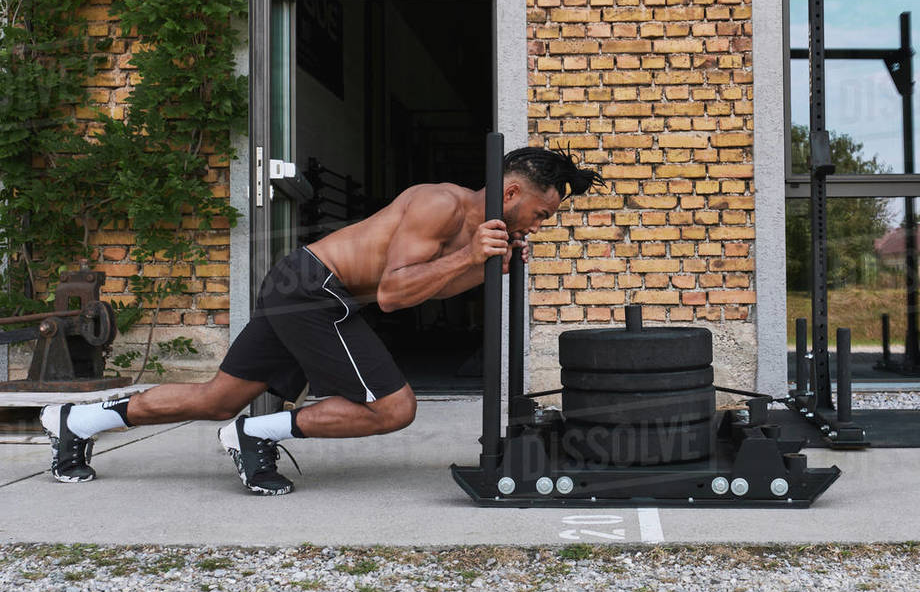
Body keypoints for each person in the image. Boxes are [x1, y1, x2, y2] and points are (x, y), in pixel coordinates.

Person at [40, 146, 603, 495]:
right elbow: (392, 294)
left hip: (303, 286)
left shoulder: (473, 230)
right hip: (312, 288)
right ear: (511, 191)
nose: (542, 223)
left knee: (215, 396)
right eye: (542, 212)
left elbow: (430, 287)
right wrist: (470, 256)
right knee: (393, 408)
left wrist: (491, 267)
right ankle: (250, 434)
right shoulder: (441, 205)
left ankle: (75, 423)